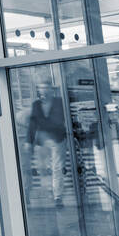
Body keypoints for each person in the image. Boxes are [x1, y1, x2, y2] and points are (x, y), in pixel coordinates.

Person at [27, 80, 68, 208]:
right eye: (41, 88)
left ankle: (57, 196)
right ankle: (51, 189)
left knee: (57, 168)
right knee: (42, 168)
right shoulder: (36, 105)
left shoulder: (59, 102)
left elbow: (61, 120)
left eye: (46, 88)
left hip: (57, 139)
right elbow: (33, 123)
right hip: (42, 141)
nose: (43, 90)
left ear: (51, 89)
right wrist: (29, 141)